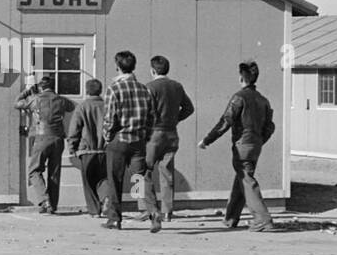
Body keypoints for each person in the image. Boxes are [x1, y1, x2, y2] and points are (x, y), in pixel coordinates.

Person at [199, 60, 276, 232]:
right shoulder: (264, 100)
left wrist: (207, 140)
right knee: (242, 178)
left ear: (241, 78)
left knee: (247, 180)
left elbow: (225, 121)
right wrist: (259, 140)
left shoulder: (239, 97)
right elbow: (270, 127)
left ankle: (263, 219)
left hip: (242, 145)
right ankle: (231, 218)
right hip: (256, 145)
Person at [102, 50, 154, 231]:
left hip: (119, 139)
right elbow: (151, 117)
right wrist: (145, 135)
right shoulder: (144, 89)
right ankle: (153, 213)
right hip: (138, 140)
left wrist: (107, 137)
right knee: (140, 177)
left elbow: (110, 118)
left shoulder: (113, 89)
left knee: (115, 180)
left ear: (117, 67)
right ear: (134, 67)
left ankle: (115, 219)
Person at [15, 72, 74, 214]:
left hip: (41, 137)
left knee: (34, 171)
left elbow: (17, 103)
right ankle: (52, 205)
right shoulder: (61, 100)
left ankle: (44, 200)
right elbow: (71, 107)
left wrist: (28, 91)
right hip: (58, 138)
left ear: (40, 88)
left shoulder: (35, 99)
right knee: (54, 172)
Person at [146, 54, 194, 224]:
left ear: (152, 70)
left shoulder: (150, 87)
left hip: (153, 134)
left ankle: (146, 208)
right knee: (167, 174)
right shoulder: (177, 86)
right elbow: (189, 108)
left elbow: (147, 112)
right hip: (172, 133)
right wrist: (175, 119)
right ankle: (167, 211)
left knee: (141, 171)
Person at [66, 79, 108, 218]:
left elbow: (74, 130)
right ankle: (105, 199)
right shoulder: (107, 106)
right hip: (105, 150)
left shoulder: (82, 107)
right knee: (104, 179)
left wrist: (72, 149)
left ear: (87, 90)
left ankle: (95, 211)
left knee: (89, 183)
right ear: (100, 90)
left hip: (87, 151)